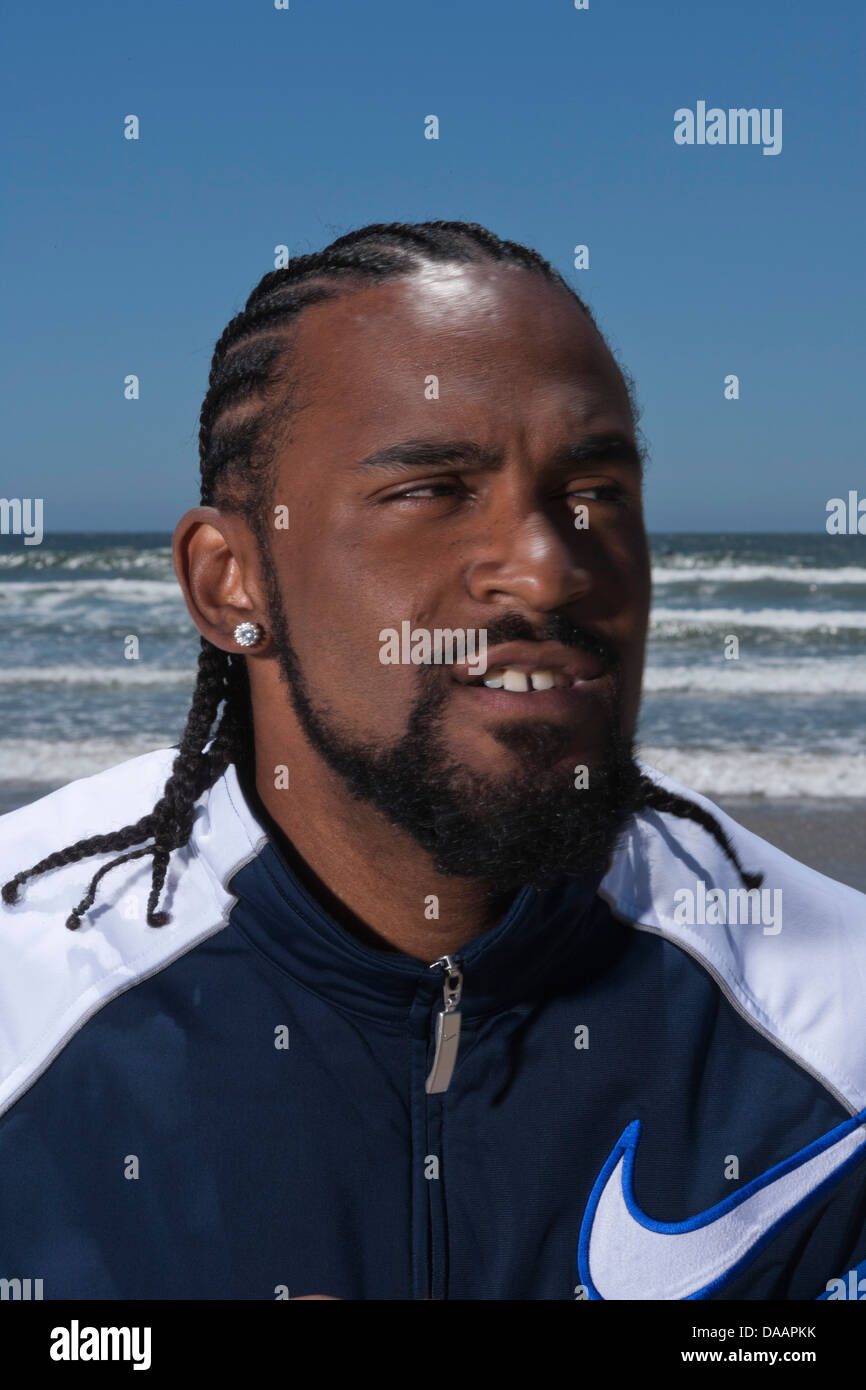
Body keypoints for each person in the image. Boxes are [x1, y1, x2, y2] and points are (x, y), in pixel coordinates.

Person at [1, 220, 864, 1302]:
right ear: (231, 583)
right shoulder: (25, 1006)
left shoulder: (832, 1027)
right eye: (431, 489)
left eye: (596, 492)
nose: (547, 569)